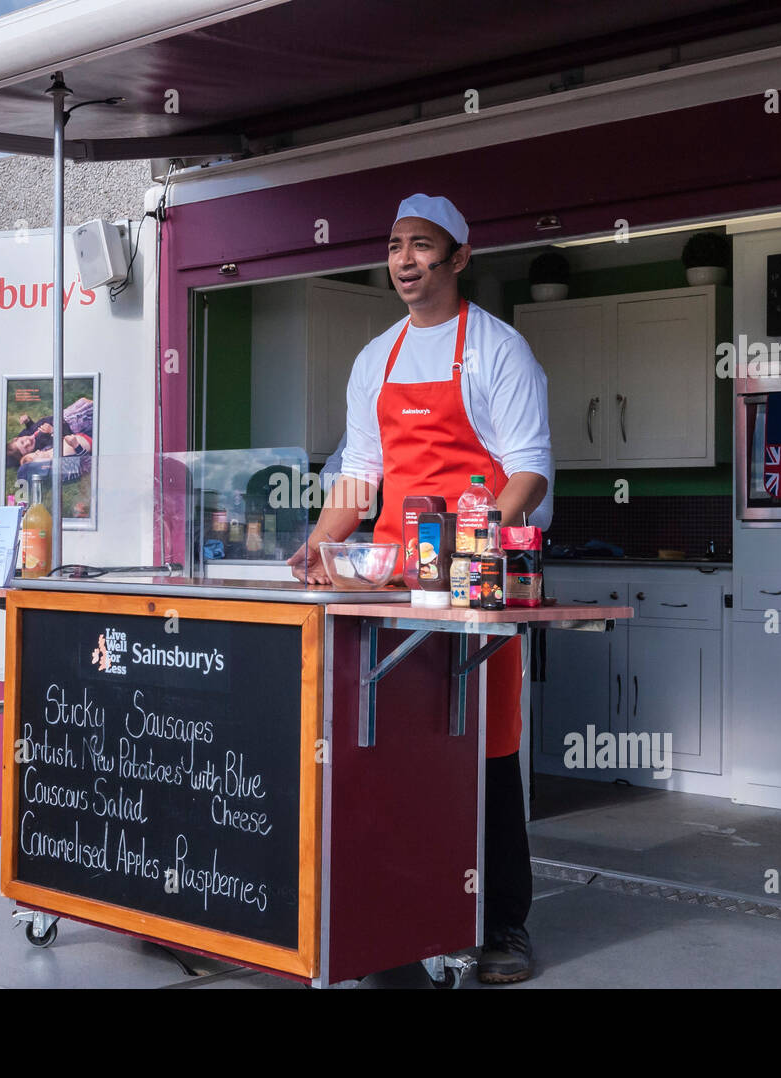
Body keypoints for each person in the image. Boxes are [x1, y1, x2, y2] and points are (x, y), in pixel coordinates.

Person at [288, 194, 552, 984]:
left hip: (477, 580)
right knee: (392, 739)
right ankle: (399, 907)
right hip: (395, 581)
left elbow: (530, 469)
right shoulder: (377, 358)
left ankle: (503, 924)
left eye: (423, 245)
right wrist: (319, 541)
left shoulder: (500, 351)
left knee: (488, 746)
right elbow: (361, 478)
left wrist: (474, 546)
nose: (405, 259)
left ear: (460, 257)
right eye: (396, 244)